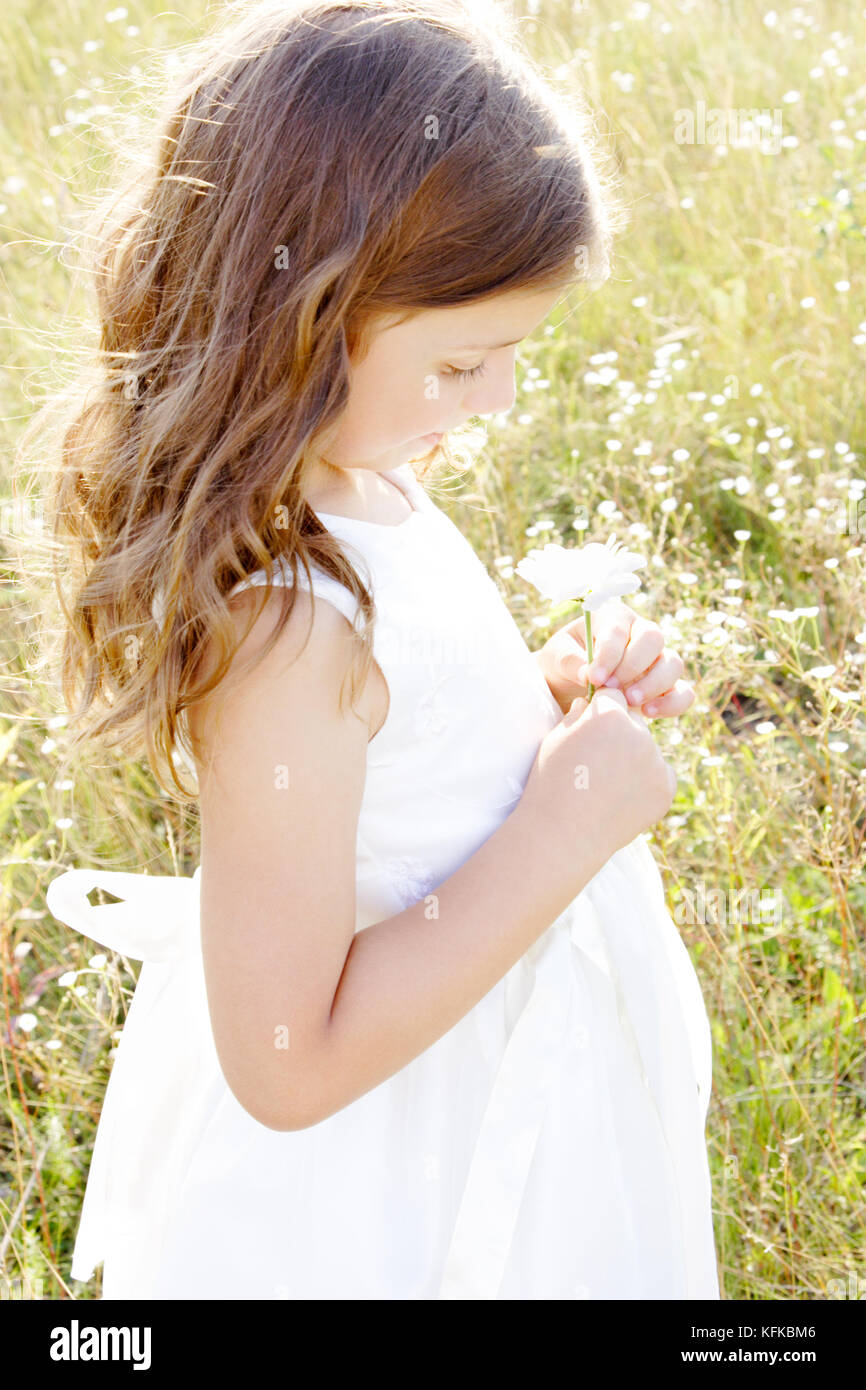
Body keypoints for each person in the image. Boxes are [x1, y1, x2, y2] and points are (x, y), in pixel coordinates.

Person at [44, 0, 720, 1298]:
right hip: (399, 1166)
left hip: (490, 1066)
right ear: (302, 320)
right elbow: (288, 1061)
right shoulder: (287, 628)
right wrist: (562, 826)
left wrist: (538, 712)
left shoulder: (364, 487)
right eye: (464, 364)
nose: (501, 397)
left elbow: (398, 755)